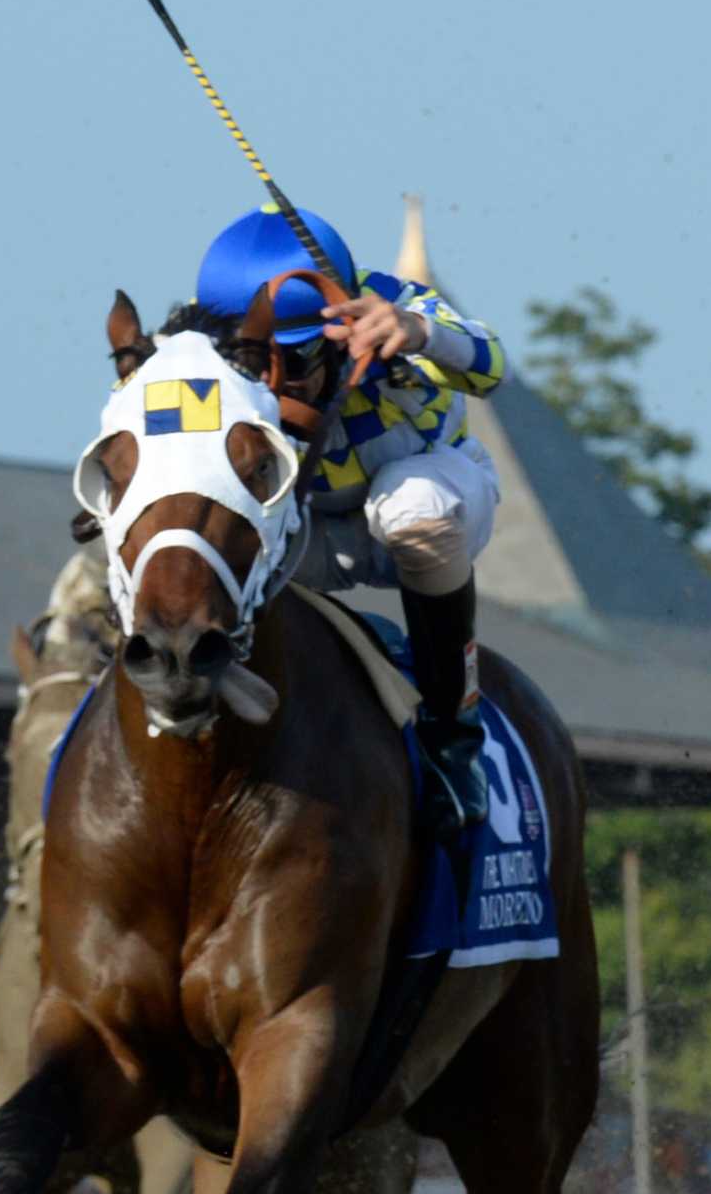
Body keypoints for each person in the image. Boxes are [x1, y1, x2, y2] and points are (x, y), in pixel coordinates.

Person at [196, 202, 504, 834]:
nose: (276, 382)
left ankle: (452, 736)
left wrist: (419, 333)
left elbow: (491, 366)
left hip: (423, 500)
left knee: (414, 507)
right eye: (253, 360)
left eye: (297, 357)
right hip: (301, 536)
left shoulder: (388, 302)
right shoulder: (198, 359)